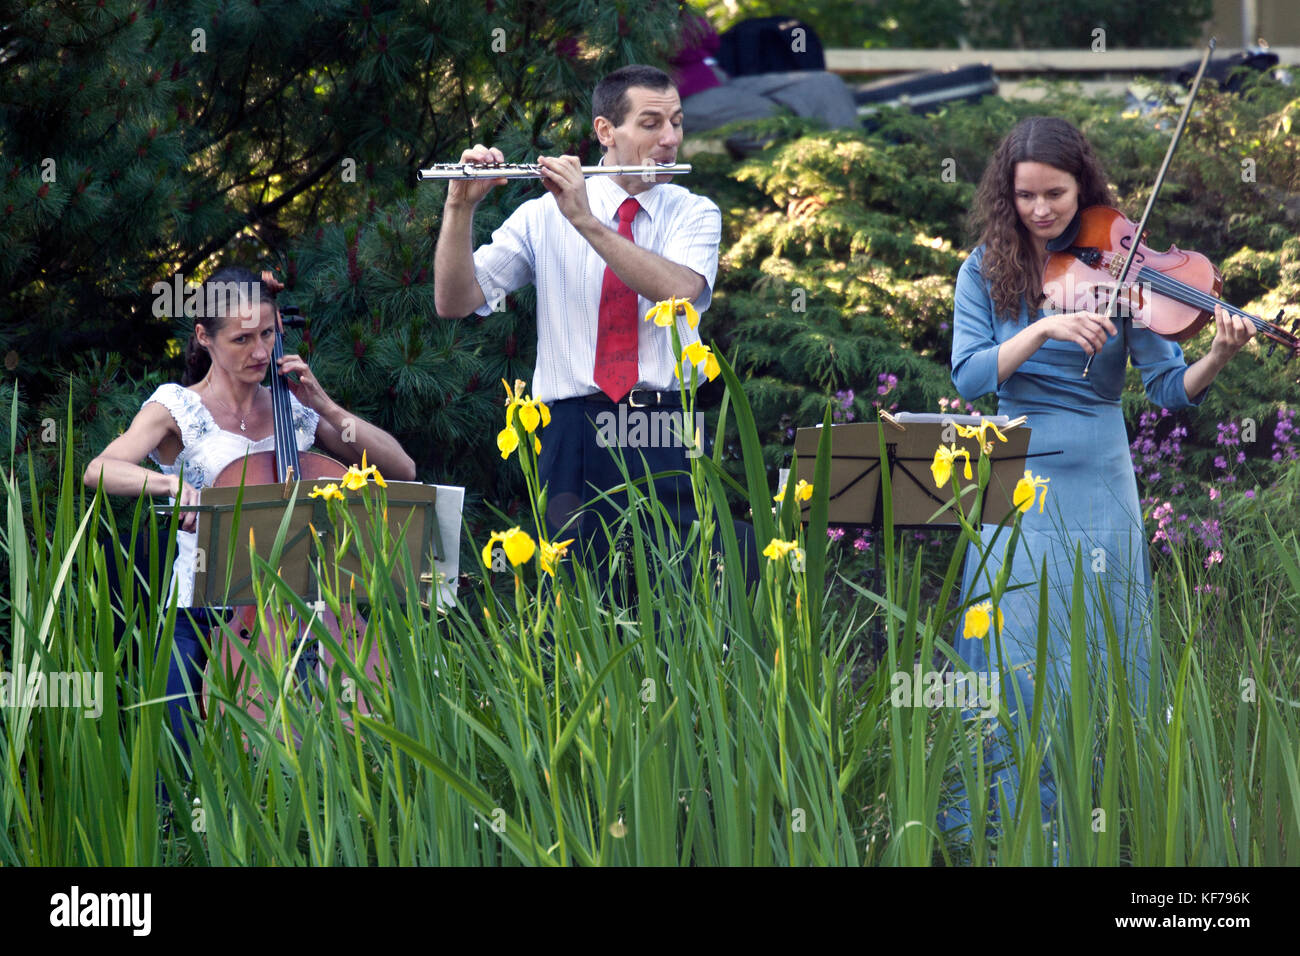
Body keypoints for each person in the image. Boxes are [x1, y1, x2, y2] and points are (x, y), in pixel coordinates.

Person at [943, 116, 1252, 845]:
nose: (1042, 210)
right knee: (1017, 652)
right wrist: (1043, 329)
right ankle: (1010, 833)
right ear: (1006, 195)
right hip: (1020, 473)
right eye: (1026, 197)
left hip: (1100, 471)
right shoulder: (984, 267)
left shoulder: (1122, 265)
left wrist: (1219, 357)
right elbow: (971, 373)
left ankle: (1103, 829)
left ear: (1083, 186)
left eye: (1056, 193)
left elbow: (1170, 389)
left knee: (1103, 651)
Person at [434, 64, 755, 583]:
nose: (670, 139)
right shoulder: (542, 215)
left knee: (680, 586)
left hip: (664, 423)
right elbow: (455, 300)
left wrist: (584, 220)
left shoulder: (695, 212)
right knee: (581, 591)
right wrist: (459, 208)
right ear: (606, 131)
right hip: (572, 429)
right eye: (651, 124)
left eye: (677, 122)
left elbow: (677, 290)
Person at [84, 266, 416, 758]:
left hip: (312, 614)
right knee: (186, 771)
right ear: (205, 337)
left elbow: (401, 468)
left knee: (326, 767)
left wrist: (323, 403)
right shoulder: (177, 408)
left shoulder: (297, 409)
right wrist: (168, 483)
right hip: (205, 617)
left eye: (267, 333)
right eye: (242, 339)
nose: (260, 352)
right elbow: (99, 469)